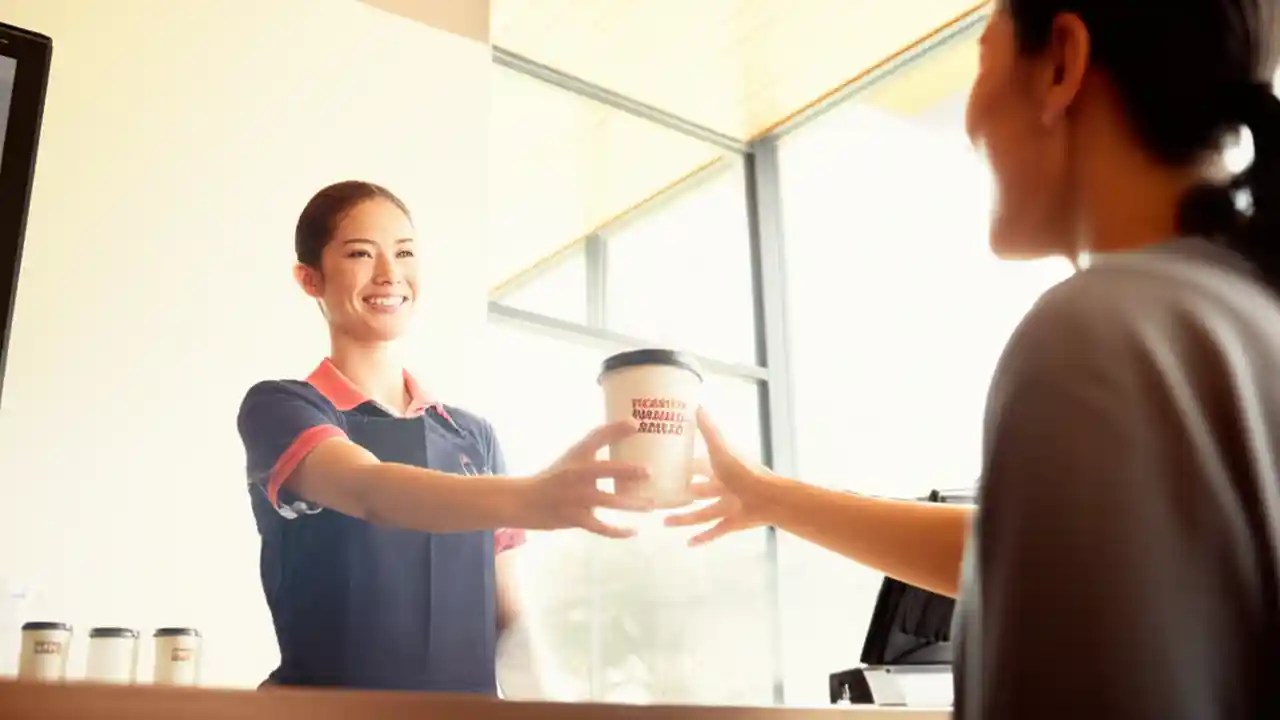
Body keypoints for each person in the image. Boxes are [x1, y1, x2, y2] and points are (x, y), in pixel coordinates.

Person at [671, 1, 1280, 717]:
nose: (970, 121)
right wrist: (768, 496)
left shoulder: (1096, 337)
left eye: (983, 60)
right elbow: (1038, 563)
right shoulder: (1242, 322)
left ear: (1060, 63)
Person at [237, 180, 652, 693]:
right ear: (310, 279)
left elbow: (512, 620)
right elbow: (369, 489)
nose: (390, 274)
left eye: (405, 252)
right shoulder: (283, 408)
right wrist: (532, 496)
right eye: (361, 254)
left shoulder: (472, 435)